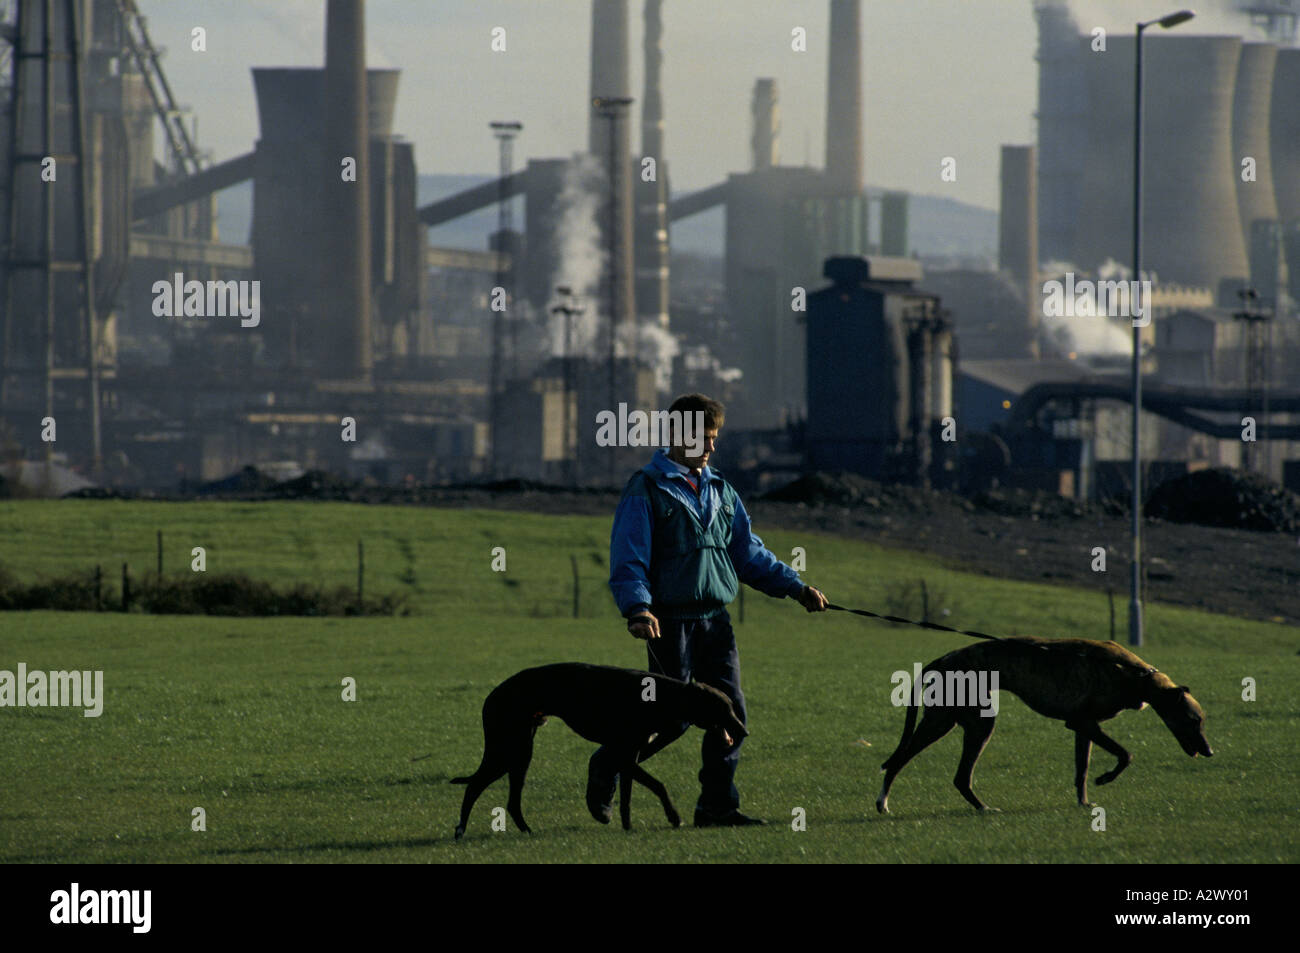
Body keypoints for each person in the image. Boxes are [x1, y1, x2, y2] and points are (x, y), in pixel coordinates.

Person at [592, 392, 828, 827]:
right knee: (672, 719)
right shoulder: (646, 487)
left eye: (716, 437)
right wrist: (638, 608)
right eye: (705, 437)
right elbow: (629, 557)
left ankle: (717, 806)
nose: (713, 447)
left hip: (716, 621)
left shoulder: (722, 490)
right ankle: (608, 765)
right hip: (668, 623)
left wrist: (796, 588)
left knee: (730, 714)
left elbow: (748, 554)